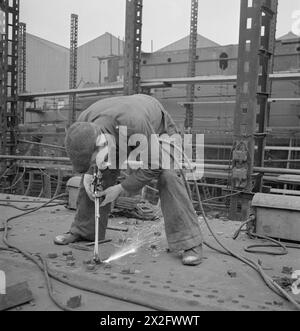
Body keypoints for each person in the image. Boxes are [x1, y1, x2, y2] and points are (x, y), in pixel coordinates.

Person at [54, 94, 203, 266]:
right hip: (118, 131)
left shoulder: (135, 122)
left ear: (100, 143)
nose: (94, 163)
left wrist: (119, 189)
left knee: (167, 174)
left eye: (93, 158)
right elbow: (93, 159)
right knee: (100, 173)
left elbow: (154, 166)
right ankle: (84, 231)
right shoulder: (83, 124)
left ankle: (189, 242)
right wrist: (89, 174)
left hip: (156, 129)